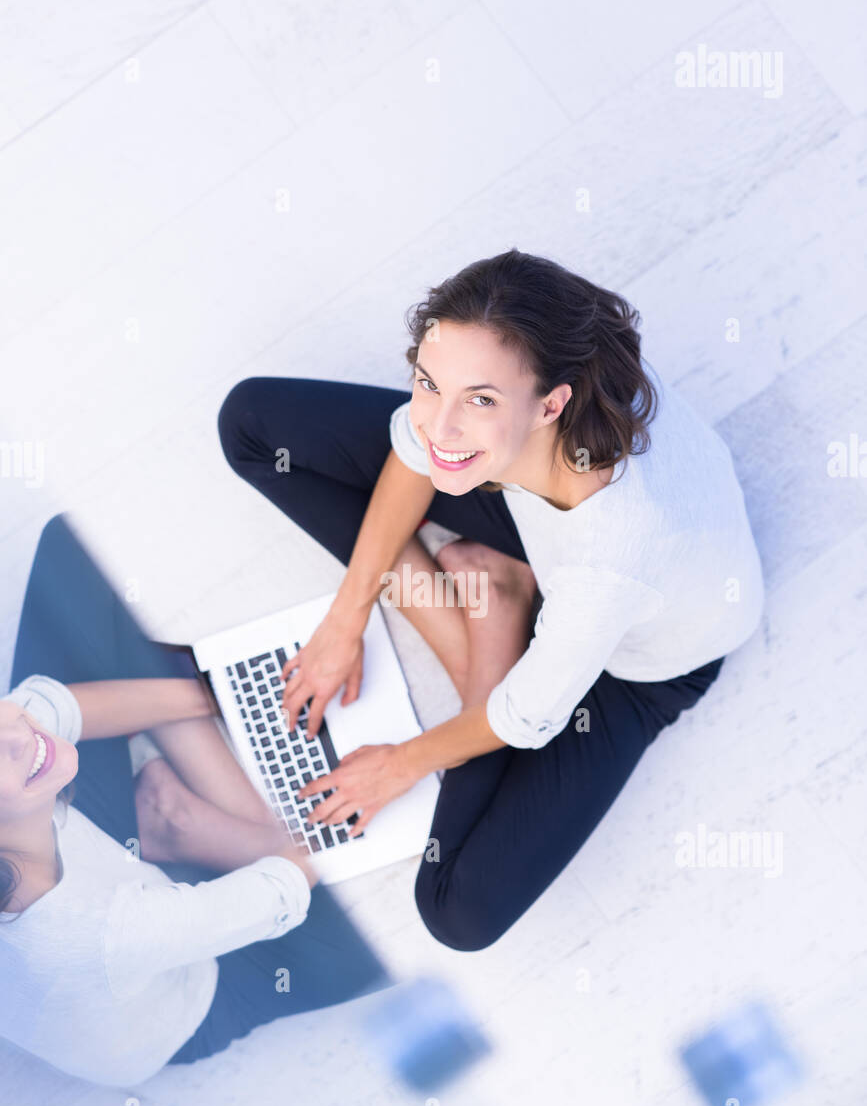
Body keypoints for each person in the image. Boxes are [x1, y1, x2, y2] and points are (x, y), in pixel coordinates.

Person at [218, 248, 764, 951]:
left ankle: (497, 616)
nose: (438, 425)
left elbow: (522, 717)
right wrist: (345, 619)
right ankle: (489, 604)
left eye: (479, 398)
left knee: (456, 911)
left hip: (642, 663)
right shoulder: (552, 368)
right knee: (252, 423)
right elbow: (419, 453)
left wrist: (399, 763)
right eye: (428, 382)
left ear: (551, 403)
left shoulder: (611, 561)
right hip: (526, 488)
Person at [0, 515, 388, 1087]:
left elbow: (52, 709)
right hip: (200, 992)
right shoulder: (97, 936)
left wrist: (216, 693)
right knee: (386, 938)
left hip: (71, 836)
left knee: (70, 547)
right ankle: (178, 821)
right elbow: (285, 882)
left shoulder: (18, 758)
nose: (15, 729)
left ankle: (171, 815)